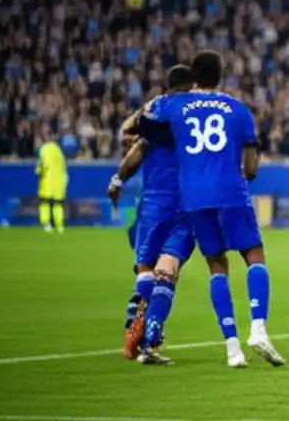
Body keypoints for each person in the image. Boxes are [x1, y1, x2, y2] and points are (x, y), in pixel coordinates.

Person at [144, 50, 284, 368]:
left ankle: (232, 348)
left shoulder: (175, 104)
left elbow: (144, 122)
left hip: (194, 198)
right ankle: (259, 328)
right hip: (231, 192)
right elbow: (250, 170)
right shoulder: (238, 110)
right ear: (221, 74)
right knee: (254, 255)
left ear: (194, 76)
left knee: (216, 265)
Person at [108, 64, 195, 363]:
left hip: (154, 201)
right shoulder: (195, 113)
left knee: (144, 268)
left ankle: (134, 321)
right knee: (168, 271)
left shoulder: (156, 112)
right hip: (187, 202)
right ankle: (149, 342)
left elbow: (131, 138)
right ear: (191, 85)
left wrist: (117, 180)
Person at [35, 132, 69, 233]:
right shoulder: (59, 150)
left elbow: (41, 166)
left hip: (47, 181)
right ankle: (59, 225)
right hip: (59, 183)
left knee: (45, 203)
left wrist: (37, 170)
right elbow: (64, 167)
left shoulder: (44, 149)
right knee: (58, 204)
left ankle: (46, 224)